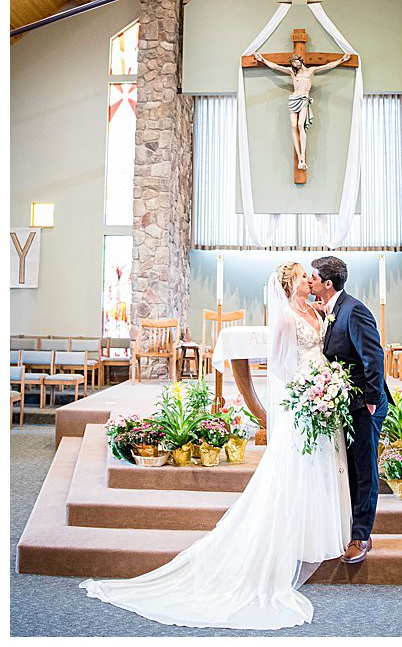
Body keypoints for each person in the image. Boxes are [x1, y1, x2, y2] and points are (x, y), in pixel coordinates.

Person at [81, 263, 351, 629]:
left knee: (320, 464)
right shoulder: (286, 318)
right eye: (304, 276)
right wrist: (305, 393)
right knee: (296, 468)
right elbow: (278, 368)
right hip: (302, 400)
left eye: (311, 276)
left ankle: (318, 533)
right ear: (291, 284)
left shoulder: (318, 310)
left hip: (322, 396)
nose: (310, 280)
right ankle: (290, 539)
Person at [308, 255, 389, 564]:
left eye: (314, 277)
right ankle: (350, 525)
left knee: (364, 468)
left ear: (328, 284)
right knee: (351, 468)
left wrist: (370, 400)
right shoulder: (334, 308)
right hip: (347, 401)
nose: (311, 281)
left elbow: (374, 356)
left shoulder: (354, 311)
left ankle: (361, 536)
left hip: (365, 404)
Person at [253, 49, 352, 170]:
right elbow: (276, 66)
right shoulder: (292, 72)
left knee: (301, 125)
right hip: (293, 99)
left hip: (304, 99)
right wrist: (262, 59)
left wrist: (342, 60)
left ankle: (302, 158)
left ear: (300, 60)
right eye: (293, 63)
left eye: (296, 62)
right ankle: (299, 156)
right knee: (294, 126)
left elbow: (327, 66)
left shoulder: (311, 71)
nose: (295, 65)